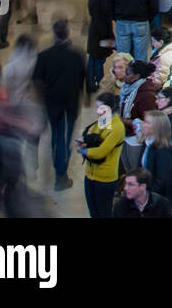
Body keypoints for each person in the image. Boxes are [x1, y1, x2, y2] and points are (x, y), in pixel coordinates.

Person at [31, 19, 87, 192]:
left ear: (54, 34)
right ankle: (61, 174)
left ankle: (59, 173)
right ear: (68, 33)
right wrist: (86, 99)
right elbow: (83, 80)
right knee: (67, 138)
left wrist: (42, 100)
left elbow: (36, 81)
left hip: (52, 103)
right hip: (71, 103)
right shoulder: (77, 55)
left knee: (57, 137)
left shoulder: (44, 56)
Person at [78, 93, 125, 218]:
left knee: (104, 213)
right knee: (93, 213)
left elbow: (101, 152)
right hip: (90, 175)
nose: (97, 112)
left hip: (105, 179)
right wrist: (84, 143)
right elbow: (91, 138)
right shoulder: (101, 121)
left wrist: (84, 151)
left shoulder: (117, 127)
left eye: (101, 108)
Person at [139, 110, 172, 198]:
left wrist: (147, 197)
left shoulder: (163, 151)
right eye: (144, 121)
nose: (143, 125)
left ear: (157, 127)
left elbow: (162, 182)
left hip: (156, 199)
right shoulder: (147, 143)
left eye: (147, 123)